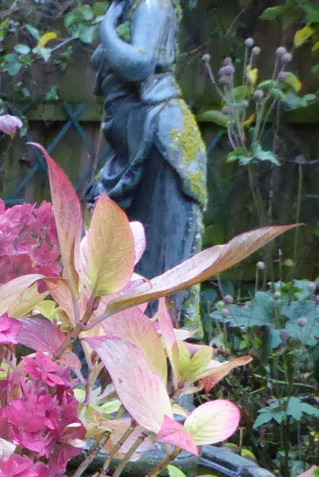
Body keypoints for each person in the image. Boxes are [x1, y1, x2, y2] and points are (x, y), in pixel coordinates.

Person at [90, 0, 207, 297]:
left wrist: (105, 29)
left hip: (160, 140)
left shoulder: (151, 3)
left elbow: (138, 64)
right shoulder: (129, 9)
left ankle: (160, 334)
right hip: (138, 138)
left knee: (161, 261)